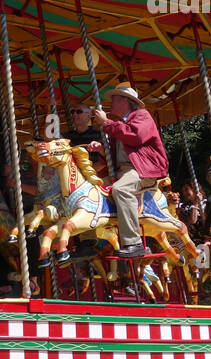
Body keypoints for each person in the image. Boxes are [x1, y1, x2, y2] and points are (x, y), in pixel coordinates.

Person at [90, 85, 168, 258]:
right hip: (125, 171)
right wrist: (102, 150)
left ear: (124, 101)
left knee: (121, 189)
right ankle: (88, 241)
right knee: (89, 191)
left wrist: (106, 123)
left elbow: (136, 137)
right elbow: (118, 153)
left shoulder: (141, 116)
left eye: (113, 100)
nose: (110, 103)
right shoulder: (120, 124)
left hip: (142, 169)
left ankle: (134, 242)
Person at [64, 105, 108, 177]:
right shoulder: (68, 136)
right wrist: (50, 110)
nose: (74, 114)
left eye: (79, 112)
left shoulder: (98, 134)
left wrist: (86, 172)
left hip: (95, 175)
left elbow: (107, 159)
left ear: (89, 115)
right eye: (72, 112)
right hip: (75, 175)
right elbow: (49, 139)